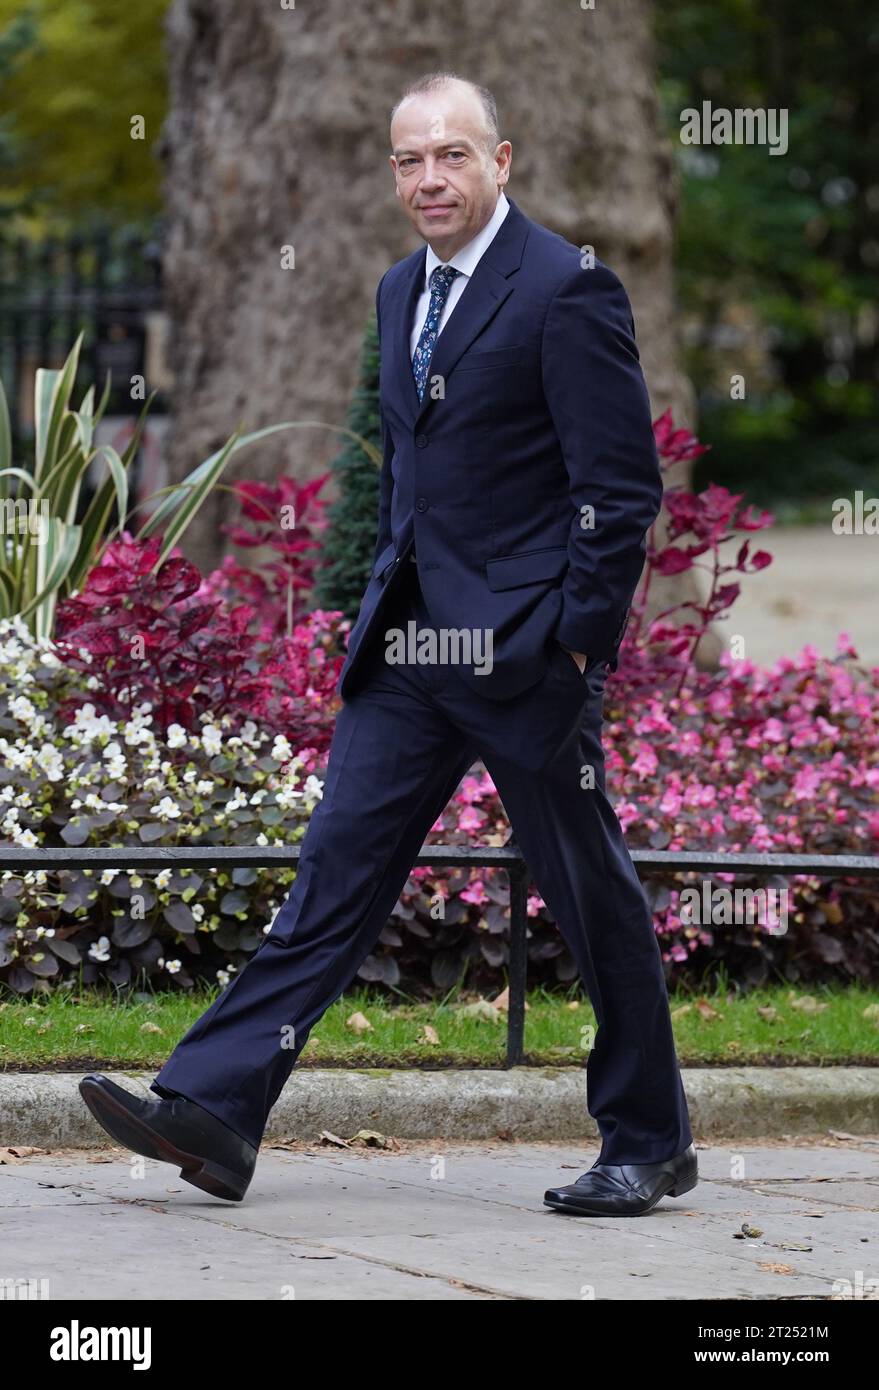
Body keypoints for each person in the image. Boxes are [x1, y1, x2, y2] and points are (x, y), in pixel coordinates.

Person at [80, 71, 696, 1216]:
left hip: (525, 660)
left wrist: (573, 649)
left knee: (589, 893)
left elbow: (618, 488)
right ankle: (216, 1110)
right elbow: (417, 479)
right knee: (334, 877)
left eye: (450, 156)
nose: (428, 179)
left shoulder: (568, 289)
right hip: (411, 654)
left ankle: (650, 1137)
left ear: (500, 160)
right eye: (409, 160)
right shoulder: (398, 288)